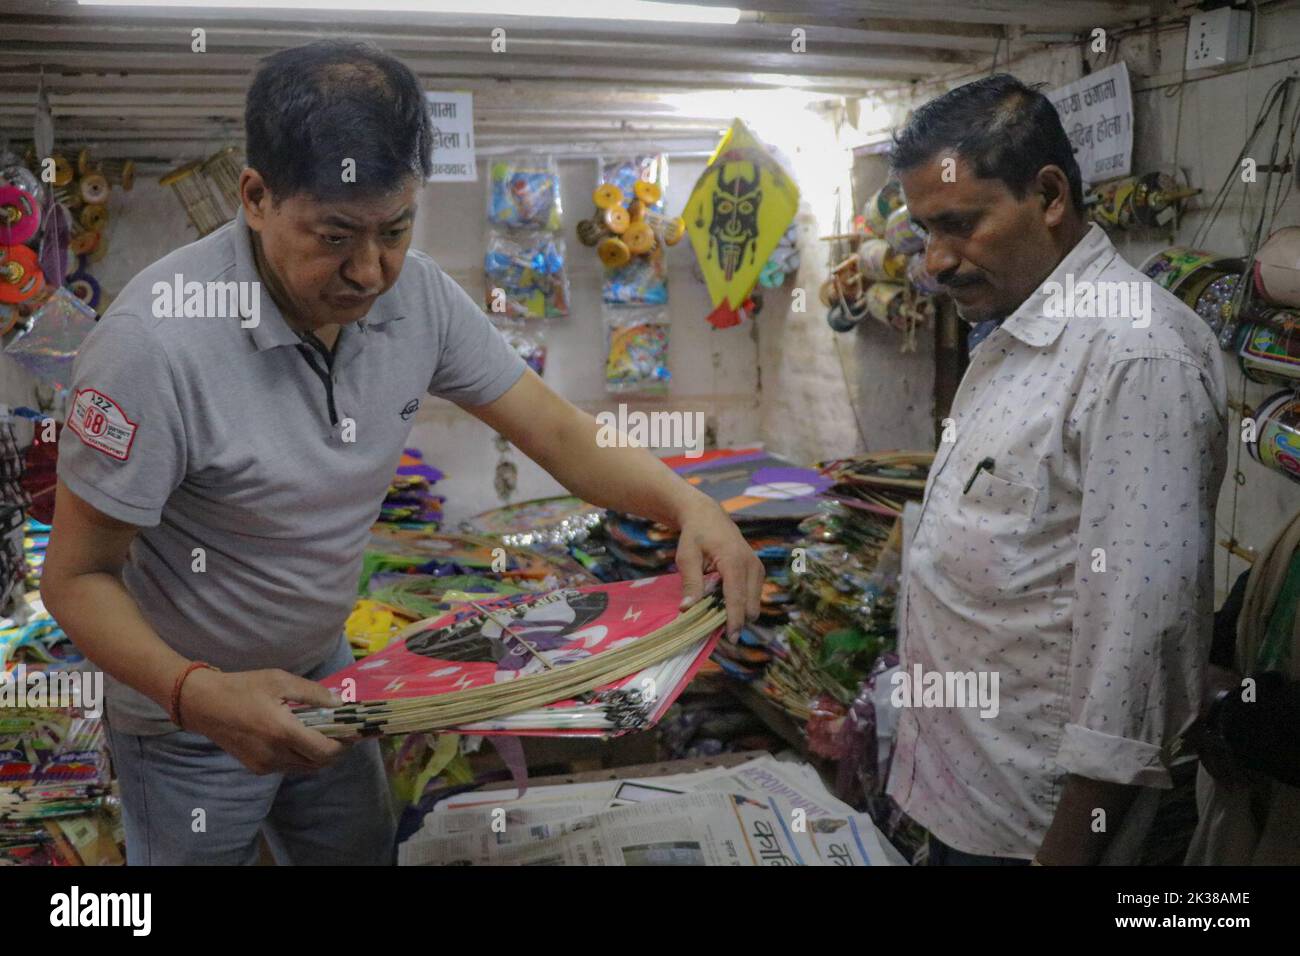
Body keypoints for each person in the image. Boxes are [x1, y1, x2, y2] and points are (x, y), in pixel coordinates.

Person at [40, 40, 763, 866]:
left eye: (396, 228)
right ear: (255, 196)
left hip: (328, 676)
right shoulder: (152, 346)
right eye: (335, 234)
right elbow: (76, 577)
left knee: (359, 852)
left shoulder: (416, 296)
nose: (369, 271)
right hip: (185, 717)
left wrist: (688, 505)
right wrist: (197, 696)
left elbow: (558, 432)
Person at [884, 74, 1227, 865]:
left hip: (1038, 831)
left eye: (958, 225)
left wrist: (1071, 849)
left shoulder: (1135, 355)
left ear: (1047, 195)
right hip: (967, 799)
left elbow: (1142, 644)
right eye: (922, 231)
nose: (935, 261)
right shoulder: (1017, 331)